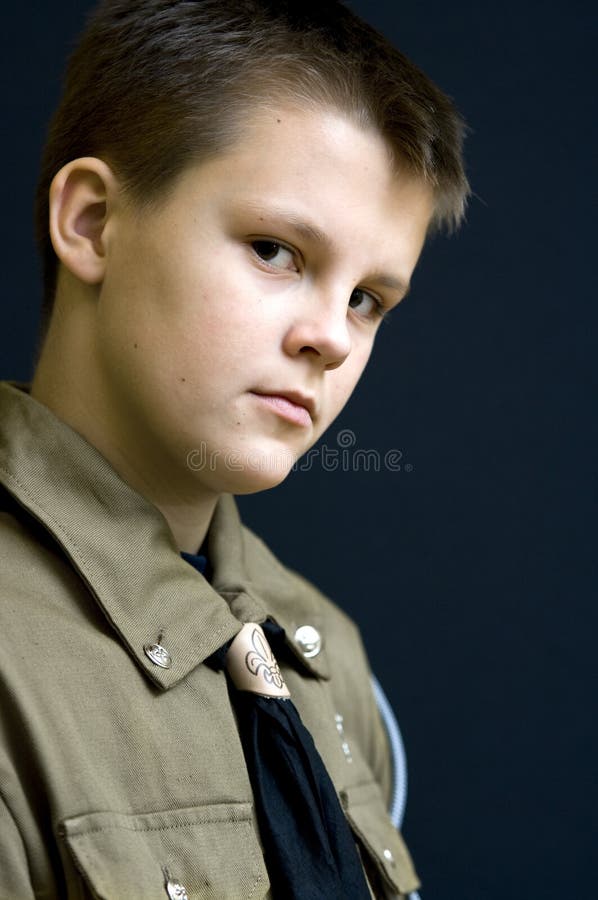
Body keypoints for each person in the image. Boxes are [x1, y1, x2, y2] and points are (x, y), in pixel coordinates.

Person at [0, 1, 469, 896]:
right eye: (275, 250)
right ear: (95, 222)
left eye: (369, 298)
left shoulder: (323, 652)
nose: (331, 335)